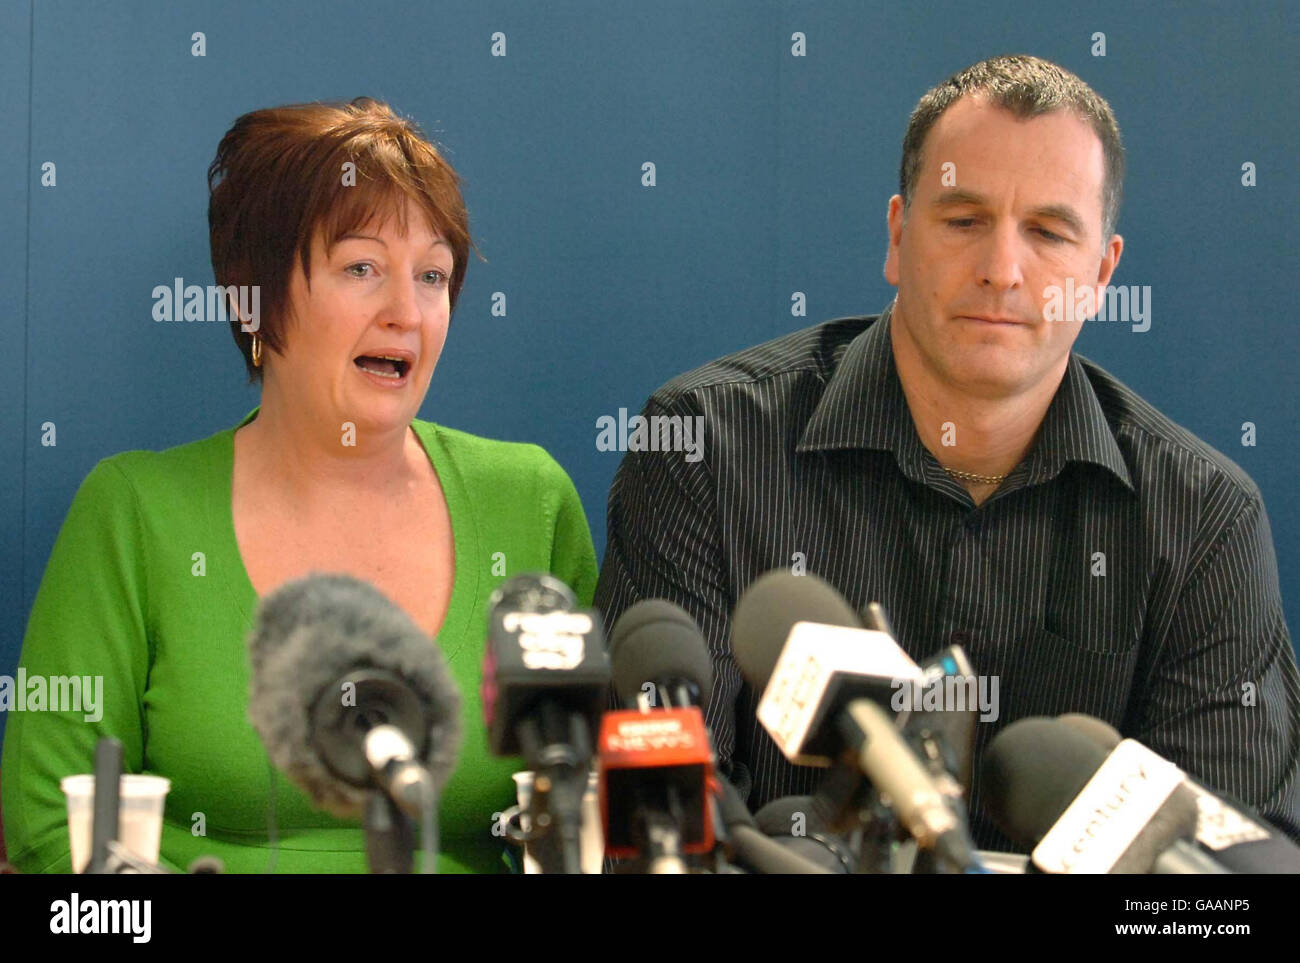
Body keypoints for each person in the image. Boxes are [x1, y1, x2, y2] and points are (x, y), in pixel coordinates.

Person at [594, 55, 1300, 851]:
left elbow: (1223, 877)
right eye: (964, 221)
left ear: (1100, 275)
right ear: (898, 237)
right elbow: (658, 821)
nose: (1003, 270)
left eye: (1048, 231)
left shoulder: (1206, 519)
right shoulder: (704, 448)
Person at [2, 97, 597, 873]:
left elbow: (604, 808)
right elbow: (47, 826)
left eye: (432, 275)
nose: (406, 313)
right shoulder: (135, 510)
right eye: (362, 268)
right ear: (258, 295)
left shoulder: (530, 501)